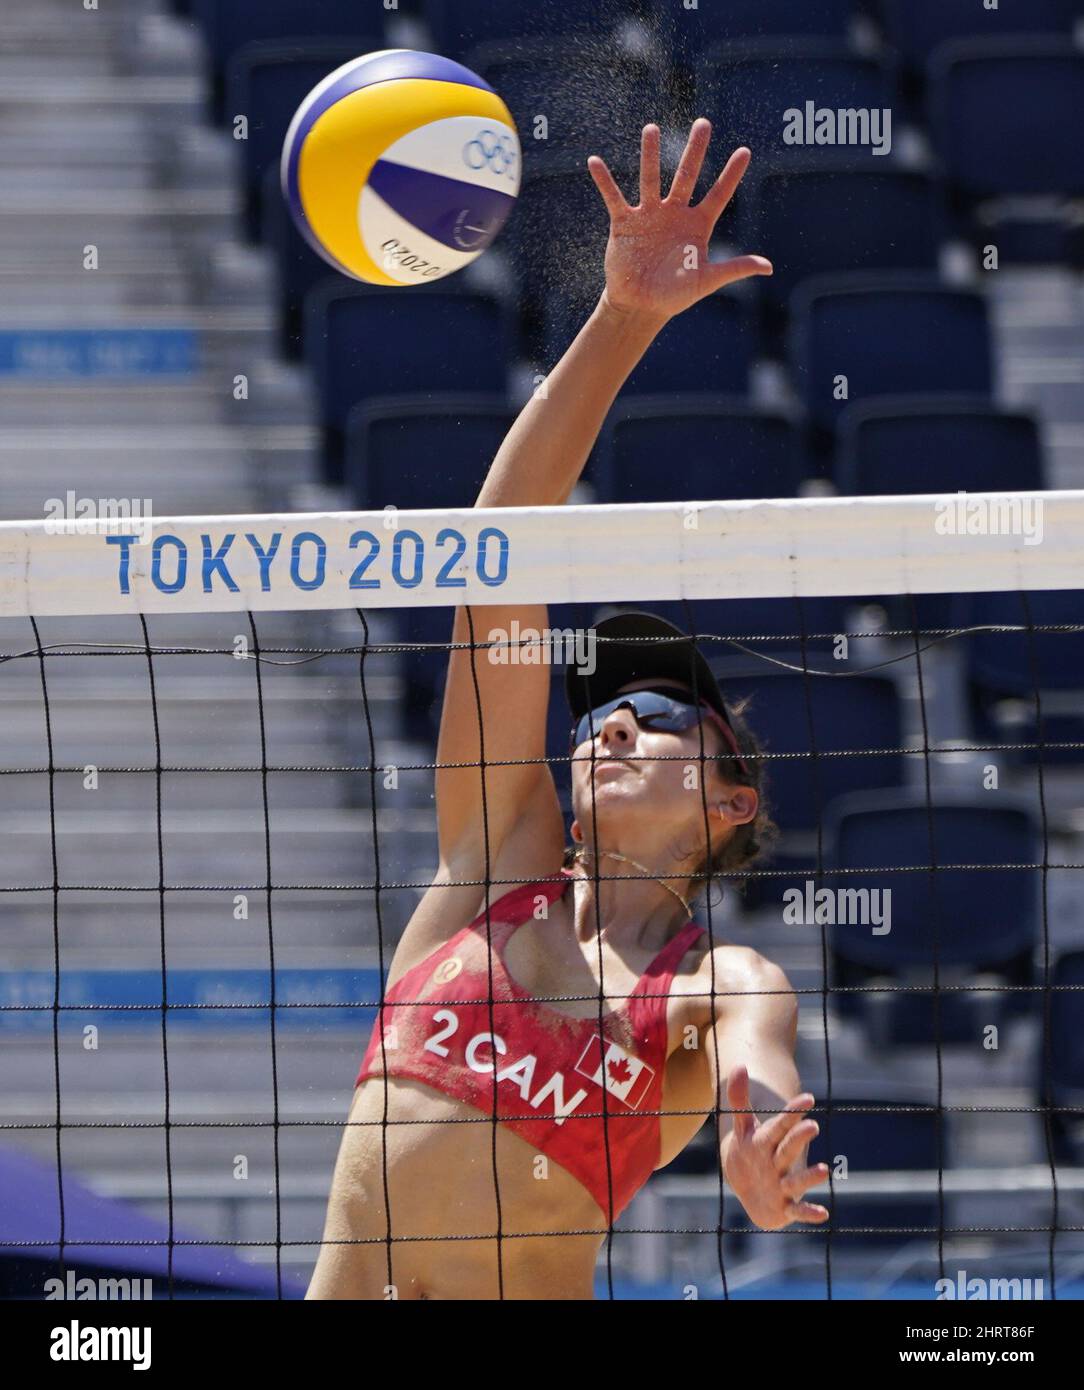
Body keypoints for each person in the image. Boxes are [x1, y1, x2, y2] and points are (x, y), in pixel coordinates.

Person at [307, 118, 830, 1301]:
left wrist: (751, 1138)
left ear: (727, 799)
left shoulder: (709, 983)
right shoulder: (496, 863)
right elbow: (497, 555)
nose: (610, 723)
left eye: (653, 712)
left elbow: (753, 1046)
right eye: (600, 712)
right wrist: (624, 318)